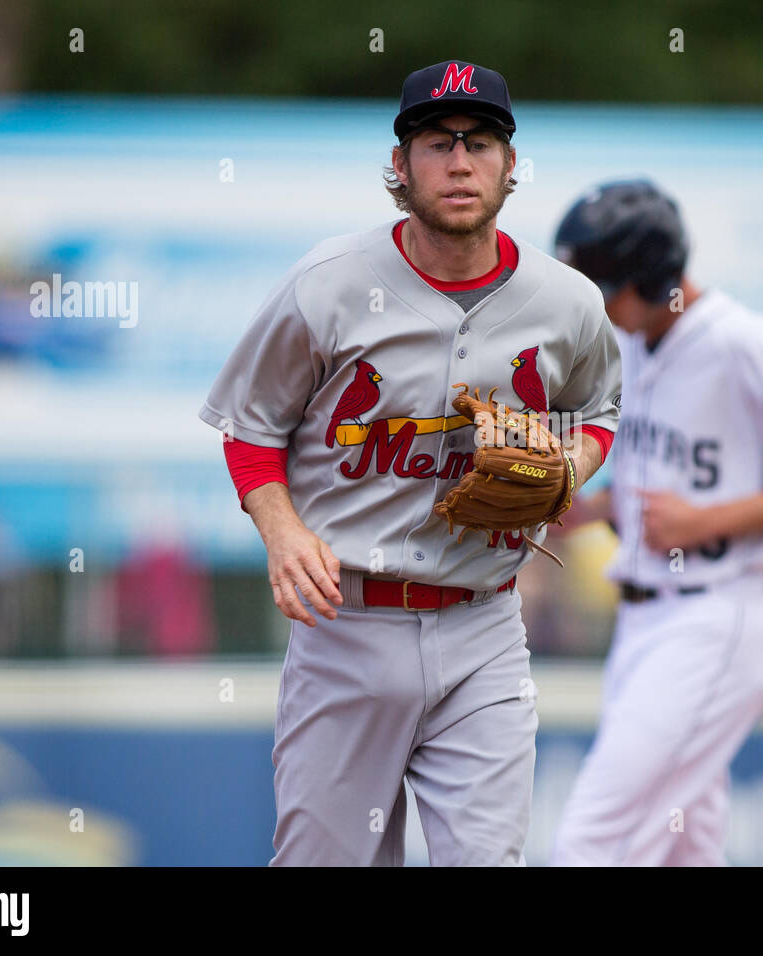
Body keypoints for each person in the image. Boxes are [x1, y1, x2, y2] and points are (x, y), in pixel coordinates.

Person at [198, 61, 622, 866]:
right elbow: (249, 425)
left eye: (482, 141)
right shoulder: (327, 286)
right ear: (400, 165)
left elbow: (598, 409)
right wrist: (282, 530)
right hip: (345, 626)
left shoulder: (566, 301)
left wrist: (570, 463)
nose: (460, 162)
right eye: (436, 142)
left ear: (509, 166)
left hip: (484, 624)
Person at [549, 180, 763, 866]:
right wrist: (591, 510)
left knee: (590, 844)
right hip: (643, 624)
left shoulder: (746, 343)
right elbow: (667, 485)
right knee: (683, 850)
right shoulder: (632, 344)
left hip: (713, 619)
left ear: (650, 279)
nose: (595, 306)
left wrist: (706, 521)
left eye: (602, 288)